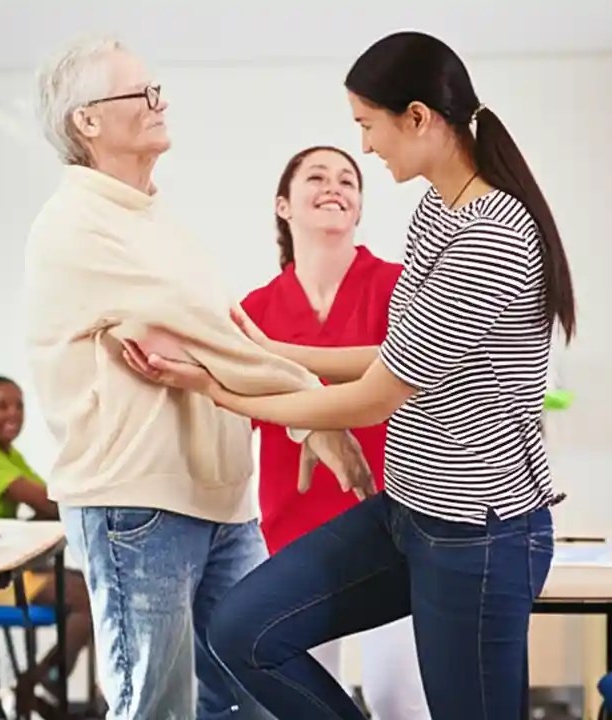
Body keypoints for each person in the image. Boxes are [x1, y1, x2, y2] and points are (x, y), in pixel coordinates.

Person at [122, 30, 574, 720]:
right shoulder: (436, 209)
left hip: (478, 536)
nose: (364, 147)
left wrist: (220, 388)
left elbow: (375, 398)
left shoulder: (493, 235)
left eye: (367, 126)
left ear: (418, 117)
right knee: (242, 630)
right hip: (409, 514)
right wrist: (250, 354)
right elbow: (390, 353)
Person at [25, 33, 373, 720]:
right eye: (139, 93)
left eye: (158, 90)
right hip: (140, 502)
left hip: (220, 501)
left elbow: (230, 327)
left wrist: (305, 409)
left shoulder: (157, 220)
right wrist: (310, 414)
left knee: (255, 691)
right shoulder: (76, 226)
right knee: (157, 706)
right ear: (86, 120)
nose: (159, 103)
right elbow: (200, 333)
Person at [239, 146, 428, 719]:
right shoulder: (254, 311)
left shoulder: (401, 288)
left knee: (402, 703)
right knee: (301, 706)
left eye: (348, 180)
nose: (334, 186)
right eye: (316, 177)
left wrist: (294, 390)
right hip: (293, 539)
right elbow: (243, 402)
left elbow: (414, 375)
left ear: (360, 207)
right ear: (283, 205)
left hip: (394, 530)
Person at [0, 375, 95, 715]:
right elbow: (45, 500)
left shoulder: (5, 452)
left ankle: (39, 685)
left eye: (20, 405)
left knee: (94, 589)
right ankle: (42, 685)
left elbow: (50, 497)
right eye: (2, 405)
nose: (14, 413)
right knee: (89, 598)